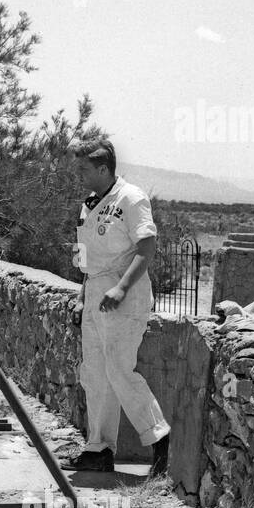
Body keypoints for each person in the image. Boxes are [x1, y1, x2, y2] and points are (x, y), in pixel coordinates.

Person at [64, 136, 171, 478]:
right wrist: (83, 297)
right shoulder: (90, 203)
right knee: (95, 374)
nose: (79, 175)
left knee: (119, 369)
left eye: (83, 169)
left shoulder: (131, 198)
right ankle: (98, 448)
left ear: (103, 168)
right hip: (95, 291)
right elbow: (89, 259)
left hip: (124, 295)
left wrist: (122, 288)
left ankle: (158, 437)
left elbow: (147, 247)